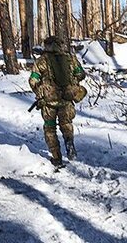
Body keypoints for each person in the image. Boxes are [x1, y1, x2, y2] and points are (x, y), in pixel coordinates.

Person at [29, 36, 87, 167]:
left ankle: (57, 158)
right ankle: (69, 142)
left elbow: (33, 80)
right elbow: (81, 74)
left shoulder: (41, 61)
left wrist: (40, 93)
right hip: (67, 99)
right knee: (66, 123)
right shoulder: (70, 58)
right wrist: (73, 82)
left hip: (48, 102)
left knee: (50, 128)